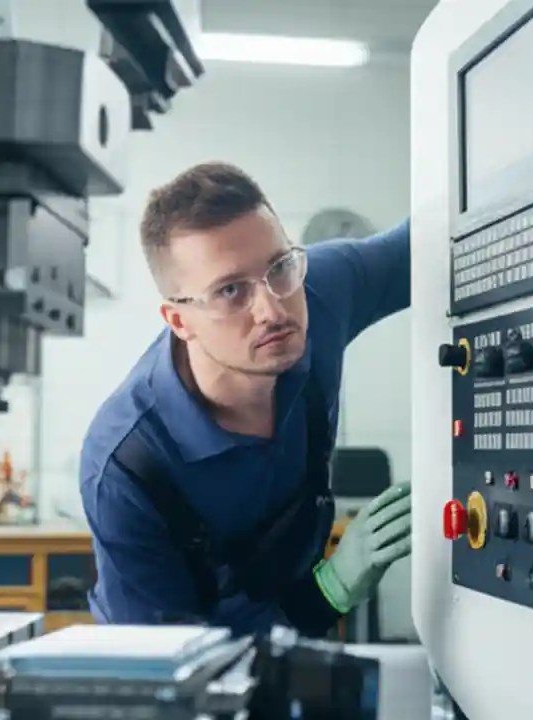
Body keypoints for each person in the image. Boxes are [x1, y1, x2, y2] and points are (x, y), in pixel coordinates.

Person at [78, 161, 413, 637]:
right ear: (179, 322)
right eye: (230, 290)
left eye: (279, 267)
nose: (272, 308)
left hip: (301, 641)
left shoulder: (314, 293)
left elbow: (435, 242)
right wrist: (331, 590)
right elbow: (168, 666)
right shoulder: (126, 465)